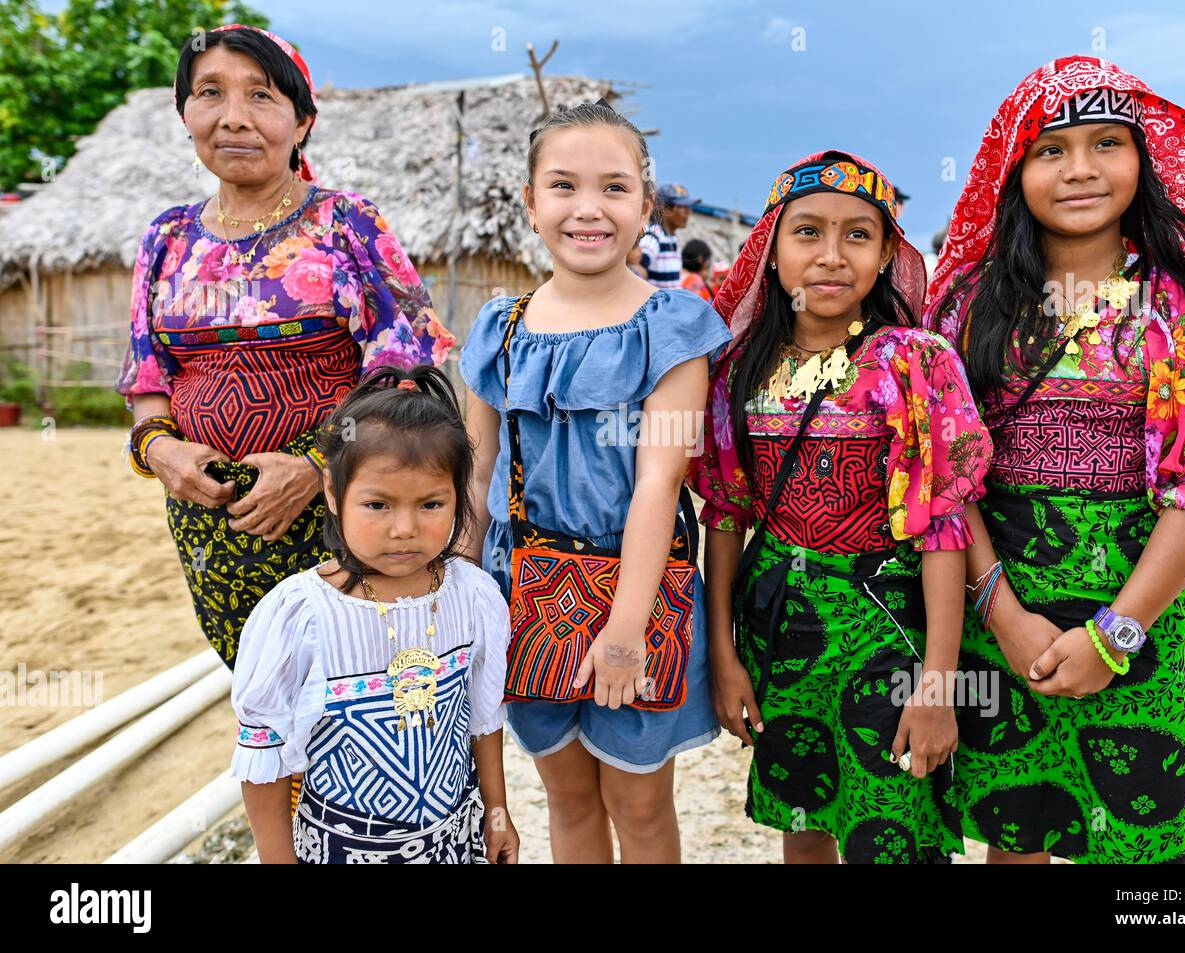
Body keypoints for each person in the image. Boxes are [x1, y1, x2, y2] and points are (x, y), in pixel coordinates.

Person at [926, 55, 1185, 864]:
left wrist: (1117, 632)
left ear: (1142, 159)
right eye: (1050, 150)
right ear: (1012, 171)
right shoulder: (971, 309)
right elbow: (946, 474)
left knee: (1131, 849)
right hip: (1004, 622)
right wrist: (1001, 612)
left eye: (1107, 144)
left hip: (1141, 629)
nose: (1081, 169)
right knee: (1013, 838)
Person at [117, 24, 453, 672]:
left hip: (340, 509)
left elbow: (405, 368)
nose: (234, 118)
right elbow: (147, 378)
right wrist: (161, 452)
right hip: (210, 527)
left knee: (356, 687)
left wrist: (312, 466)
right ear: (185, 114)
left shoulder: (346, 222)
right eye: (209, 93)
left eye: (261, 96)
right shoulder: (166, 237)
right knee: (262, 691)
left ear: (302, 121)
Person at [693, 149, 992, 864]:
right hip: (779, 632)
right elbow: (727, 515)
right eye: (807, 232)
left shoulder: (915, 362)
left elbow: (942, 527)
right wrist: (725, 656)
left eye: (857, 234)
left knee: (893, 831)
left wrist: (937, 685)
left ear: (887, 254)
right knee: (805, 823)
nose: (831, 255)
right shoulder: (738, 371)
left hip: (889, 636)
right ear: (770, 251)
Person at [460, 101, 730, 863]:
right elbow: (477, 473)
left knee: (638, 804)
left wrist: (625, 629)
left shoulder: (672, 328)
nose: (588, 208)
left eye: (614, 187)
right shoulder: (498, 329)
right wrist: (458, 598)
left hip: (640, 595)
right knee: (568, 797)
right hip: (524, 592)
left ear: (645, 206)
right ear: (530, 202)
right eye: (563, 185)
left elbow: (659, 482)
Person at [230, 365, 517, 864]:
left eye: (431, 504)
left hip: (453, 844)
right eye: (378, 505)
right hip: (341, 849)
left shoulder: (472, 594)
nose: (404, 528)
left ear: (458, 494)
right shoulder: (302, 614)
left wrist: (497, 813)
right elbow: (264, 749)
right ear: (332, 492)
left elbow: (483, 715)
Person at [640, 182, 698, 288]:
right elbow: (638, 267)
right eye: (684, 207)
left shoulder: (671, 238)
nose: (689, 212)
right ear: (666, 209)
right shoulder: (654, 235)